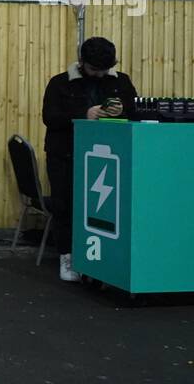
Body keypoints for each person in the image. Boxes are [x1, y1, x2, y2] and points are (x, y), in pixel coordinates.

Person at [42, 36, 137, 282]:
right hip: (65, 154)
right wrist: (84, 114)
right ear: (82, 62)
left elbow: (135, 112)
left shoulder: (121, 82)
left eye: (104, 69)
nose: (98, 74)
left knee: (106, 210)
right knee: (65, 205)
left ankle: (103, 257)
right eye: (94, 69)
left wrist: (122, 111)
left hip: (109, 157)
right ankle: (67, 256)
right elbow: (50, 118)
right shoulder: (59, 83)